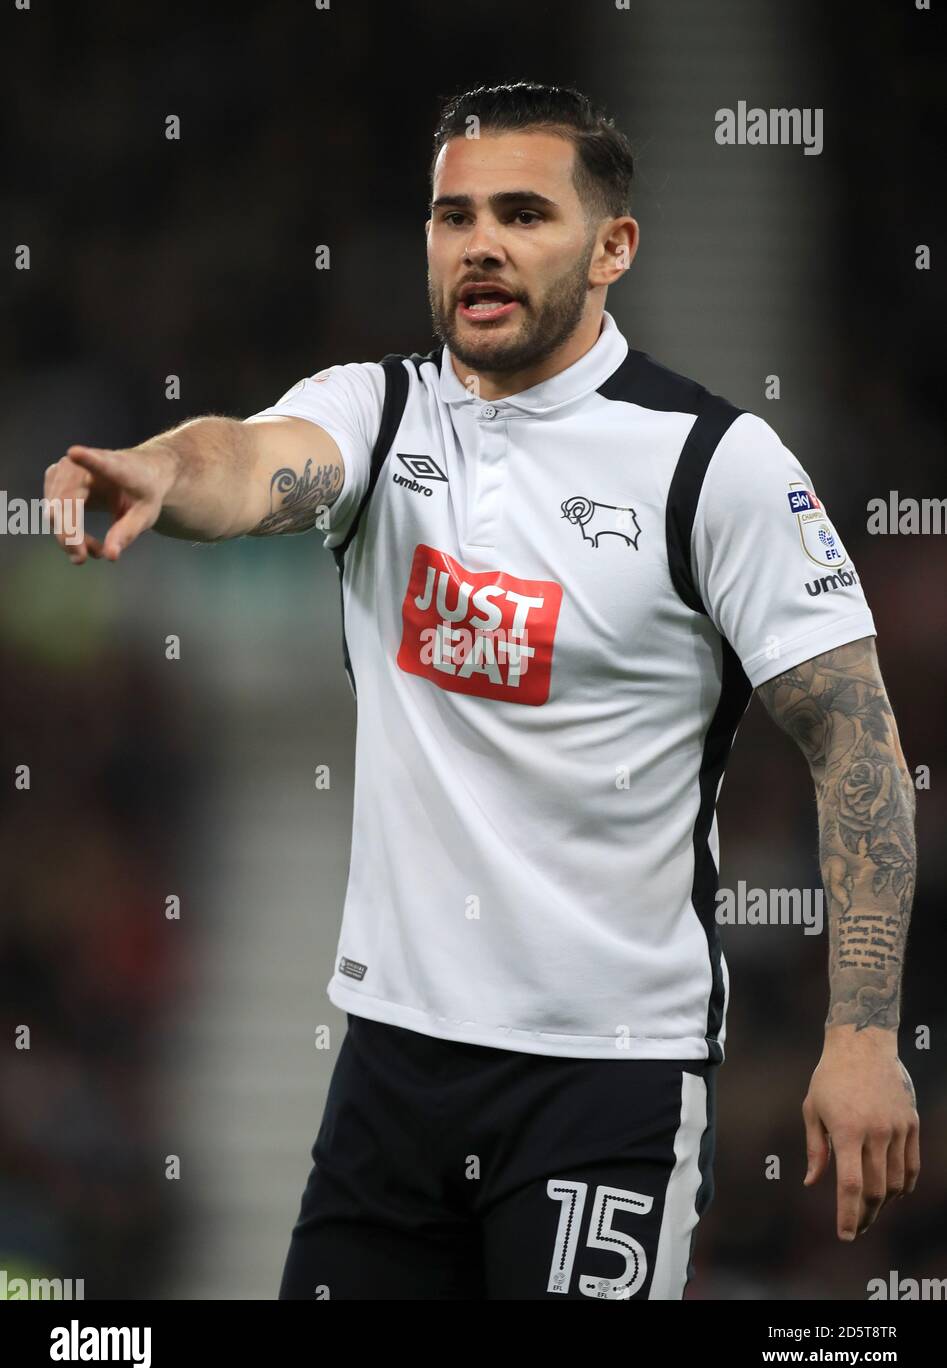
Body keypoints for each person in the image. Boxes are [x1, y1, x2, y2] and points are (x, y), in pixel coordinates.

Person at [44, 82, 919, 1300]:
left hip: (606, 1078)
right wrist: (156, 468)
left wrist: (862, 1032)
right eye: (453, 217)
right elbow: (243, 462)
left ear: (612, 246)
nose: (480, 245)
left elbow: (856, 745)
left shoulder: (713, 465)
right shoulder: (379, 410)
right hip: (393, 1065)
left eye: (521, 213)